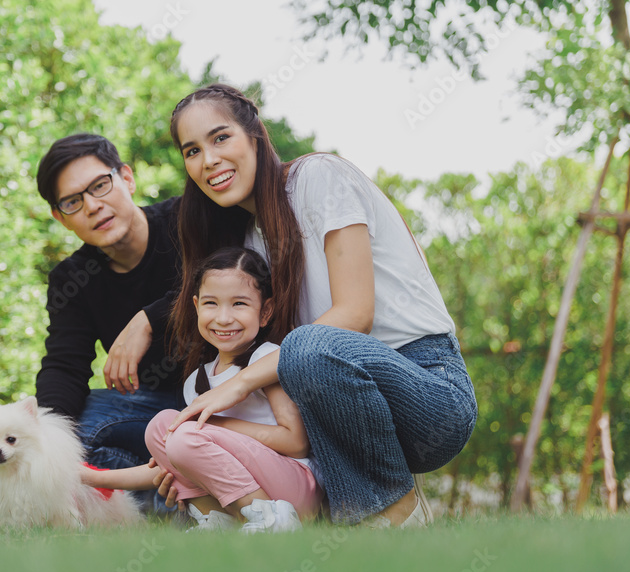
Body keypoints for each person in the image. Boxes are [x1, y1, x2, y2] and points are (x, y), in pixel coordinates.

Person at [163, 84, 478, 527]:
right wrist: (192, 454)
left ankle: (396, 516)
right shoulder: (250, 243)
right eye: (192, 151)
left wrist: (237, 385)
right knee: (178, 425)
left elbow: (354, 315)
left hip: (427, 389)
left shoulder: (319, 178)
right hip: (331, 412)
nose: (208, 160)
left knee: (307, 347)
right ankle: (260, 517)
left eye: (220, 138)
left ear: (255, 136)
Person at [82, 246, 322, 533]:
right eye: (211, 303)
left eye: (239, 304)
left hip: (295, 487)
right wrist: (92, 478)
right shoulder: (196, 381)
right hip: (243, 484)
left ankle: (272, 518)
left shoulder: (266, 360)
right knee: (161, 426)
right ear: (196, 307)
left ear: (265, 311)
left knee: (182, 432)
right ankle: (217, 519)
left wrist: (209, 426)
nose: (223, 318)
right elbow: (173, 459)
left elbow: (296, 442)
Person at [34, 133, 183, 478]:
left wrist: (148, 320)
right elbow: (65, 366)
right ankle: (162, 495)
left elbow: (226, 285)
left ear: (127, 178)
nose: (92, 206)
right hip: (153, 409)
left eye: (100, 186)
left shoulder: (184, 221)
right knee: (64, 436)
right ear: (60, 218)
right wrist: (46, 436)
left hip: (226, 392)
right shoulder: (72, 278)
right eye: (72, 202)